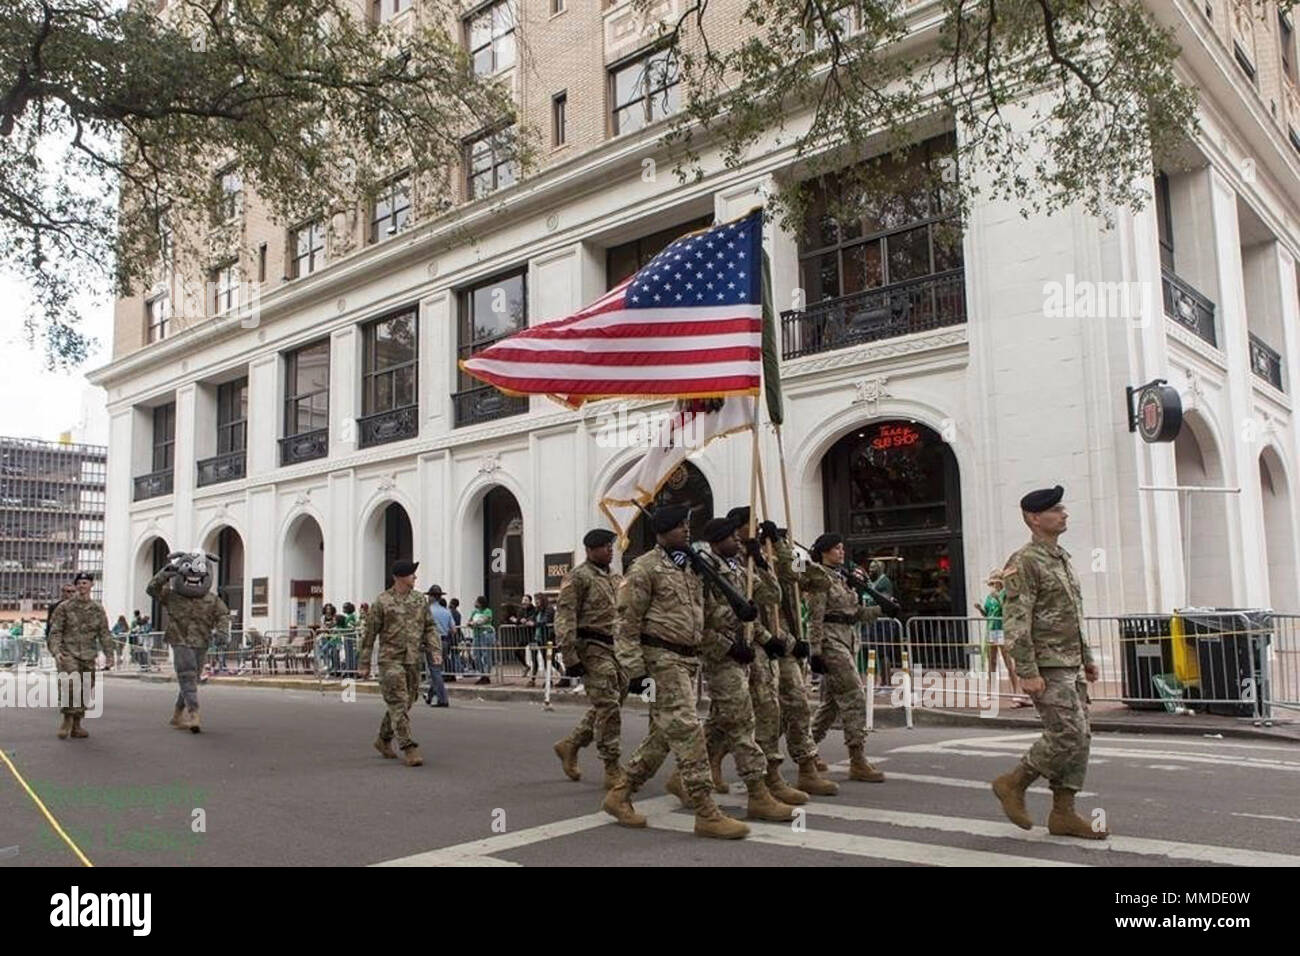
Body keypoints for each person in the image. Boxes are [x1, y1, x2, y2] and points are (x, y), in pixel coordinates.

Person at [602, 504, 750, 840]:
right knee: (687, 730)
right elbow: (625, 623)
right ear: (663, 530)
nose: (686, 530)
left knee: (664, 736)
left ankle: (620, 794)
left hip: (688, 659)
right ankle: (706, 812)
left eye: (687, 524)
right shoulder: (644, 568)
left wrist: (737, 620)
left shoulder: (691, 567)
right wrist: (636, 671)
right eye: (680, 525)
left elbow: (705, 615)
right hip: (661, 658)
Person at [992, 486, 1108, 840]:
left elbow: (1073, 614)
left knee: (1081, 737)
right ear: (1034, 518)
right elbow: (1016, 619)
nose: (1064, 513)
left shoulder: (1062, 558)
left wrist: (1086, 657)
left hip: (1070, 662)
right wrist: (1026, 670)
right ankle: (1013, 783)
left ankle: (1063, 812)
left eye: (1063, 508)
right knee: (1067, 733)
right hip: (1046, 664)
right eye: (1056, 509)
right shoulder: (1024, 561)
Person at [683, 514, 795, 823]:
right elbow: (699, 621)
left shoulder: (736, 567)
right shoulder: (702, 570)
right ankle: (758, 792)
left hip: (746, 651)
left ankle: (686, 776)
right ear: (718, 540)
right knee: (743, 722)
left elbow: (771, 597)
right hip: (721, 658)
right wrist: (729, 645)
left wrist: (759, 561)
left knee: (726, 720)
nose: (737, 541)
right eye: (732, 537)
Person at [805, 532, 891, 782]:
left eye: (842, 548)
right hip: (831, 642)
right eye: (836, 548)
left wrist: (881, 609)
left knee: (832, 704)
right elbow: (815, 616)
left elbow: (854, 613)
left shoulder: (842, 577)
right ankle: (857, 758)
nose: (841, 552)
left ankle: (807, 750)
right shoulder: (817, 576)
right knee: (855, 695)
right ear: (824, 552)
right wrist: (815, 650)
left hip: (848, 638)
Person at [552, 529, 625, 787]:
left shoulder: (615, 577)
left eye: (611, 546)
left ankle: (570, 744)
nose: (610, 550)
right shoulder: (578, 577)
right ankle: (612, 765)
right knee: (608, 706)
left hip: (614, 648)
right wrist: (570, 657)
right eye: (605, 546)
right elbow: (565, 617)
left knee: (611, 701)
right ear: (590, 550)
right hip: (591, 646)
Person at [358, 561, 441, 767]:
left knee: (407, 701)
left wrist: (435, 650)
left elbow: (429, 627)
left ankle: (383, 739)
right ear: (399, 577)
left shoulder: (419, 600)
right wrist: (364, 662)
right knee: (397, 701)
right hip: (390, 659)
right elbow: (370, 634)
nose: (415, 577)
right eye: (411, 574)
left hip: (412, 659)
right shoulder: (382, 602)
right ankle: (408, 747)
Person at [147, 551, 230, 733]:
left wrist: (223, 631)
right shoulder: (172, 596)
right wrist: (165, 573)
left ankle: (177, 714)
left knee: (192, 678)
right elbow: (152, 590)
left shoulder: (212, 599)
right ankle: (194, 712)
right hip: (180, 639)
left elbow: (223, 615)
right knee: (186, 675)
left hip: (201, 640)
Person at [46, 572, 114, 739]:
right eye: (80, 583)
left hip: (88, 655)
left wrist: (109, 654)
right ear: (76, 586)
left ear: (91, 586)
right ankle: (67, 719)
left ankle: (77, 724)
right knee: (71, 685)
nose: (82, 586)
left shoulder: (97, 609)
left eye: (85, 583)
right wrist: (56, 652)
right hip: (68, 653)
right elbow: (55, 632)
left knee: (85, 688)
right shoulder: (65, 607)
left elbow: (104, 633)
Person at [976, 570, 1026, 706]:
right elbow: (987, 614)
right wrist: (980, 609)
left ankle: (1016, 692)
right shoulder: (989, 596)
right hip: (991, 630)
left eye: (995, 582)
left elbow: (1007, 609)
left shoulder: (1004, 594)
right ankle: (991, 692)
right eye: (991, 583)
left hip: (1003, 630)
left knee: (1008, 662)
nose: (993, 585)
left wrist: (998, 596)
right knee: (991, 662)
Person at [423, 585, 450, 707]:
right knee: (437, 669)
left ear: (432, 597)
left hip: (433, 643)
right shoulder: (446, 611)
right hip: (444, 642)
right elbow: (453, 629)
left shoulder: (428, 611)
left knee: (435, 671)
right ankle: (430, 695)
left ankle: (442, 699)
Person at [468, 596, 494, 684]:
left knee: (486, 655)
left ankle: (486, 675)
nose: (475, 603)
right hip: (477, 635)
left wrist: (474, 623)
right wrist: (472, 623)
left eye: (476, 601)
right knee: (476, 655)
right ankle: (481, 673)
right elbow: (469, 622)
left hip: (485, 635)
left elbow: (483, 621)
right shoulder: (474, 612)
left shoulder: (488, 611)